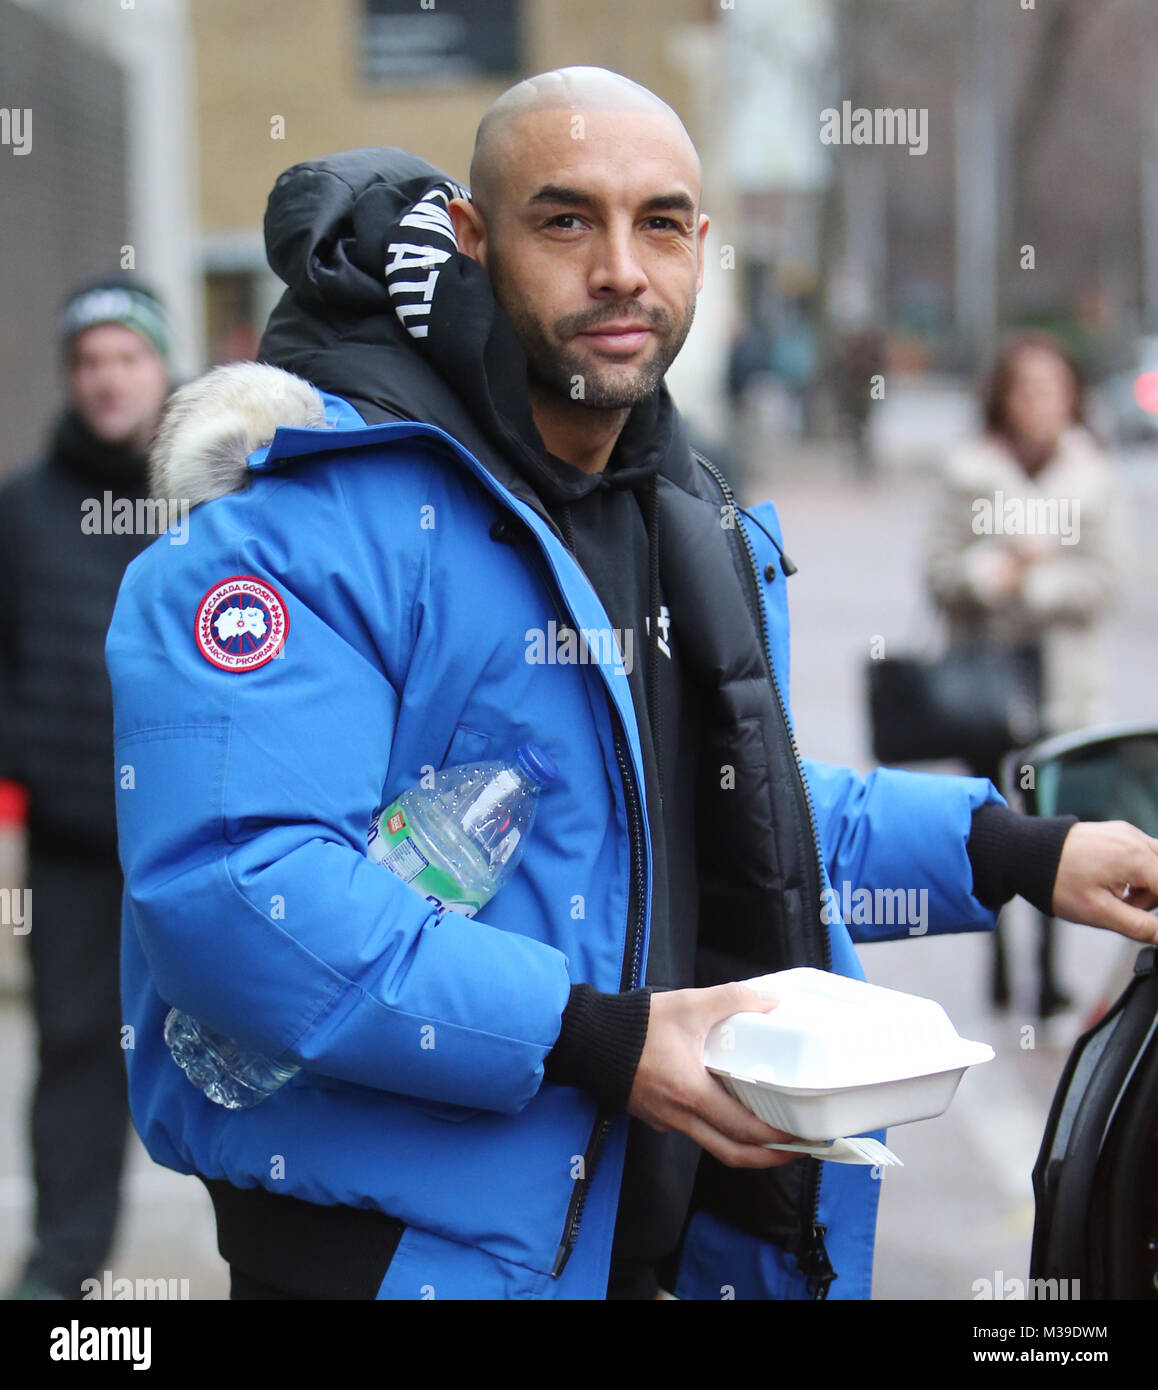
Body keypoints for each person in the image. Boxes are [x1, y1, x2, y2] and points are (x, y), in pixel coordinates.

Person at [106, 70, 1158, 1302]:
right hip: (397, 1264)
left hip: (654, 1254)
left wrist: (1025, 853)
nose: (620, 268)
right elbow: (242, 894)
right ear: (471, 239)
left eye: (659, 222)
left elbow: (707, 814)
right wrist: (598, 1039)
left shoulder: (669, 520)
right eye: (566, 221)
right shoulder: (294, 531)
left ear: (705, 247)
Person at [0, 274, 172, 1299]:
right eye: (90, 363)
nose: (108, 381)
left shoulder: (218, 494)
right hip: (73, 847)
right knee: (77, 1049)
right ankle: (63, 1274)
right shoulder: (19, 510)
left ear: (161, 367)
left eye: (127, 358)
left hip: (206, 835)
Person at [925, 332, 1125, 1017]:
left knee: (1058, 825)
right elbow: (939, 574)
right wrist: (994, 575)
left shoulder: (1093, 477)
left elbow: (1109, 581)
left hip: (1063, 690)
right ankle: (999, 963)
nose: (1039, 402)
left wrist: (1037, 581)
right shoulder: (966, 472)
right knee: (989, 821)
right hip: (987, 689)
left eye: (1052, 388)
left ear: (1072, 397)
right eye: (1025, 388)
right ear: (1003, 398)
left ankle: (1049, 969)